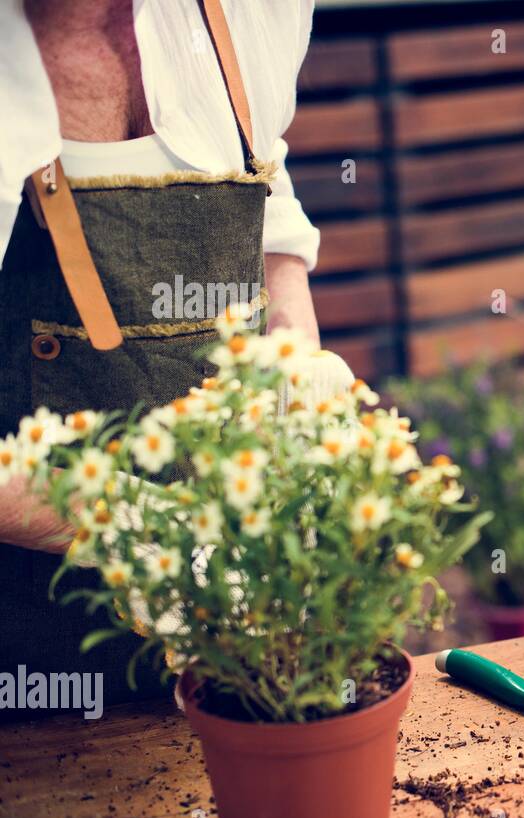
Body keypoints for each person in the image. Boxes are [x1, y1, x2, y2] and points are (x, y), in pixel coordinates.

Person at [0, 0, 347, 710]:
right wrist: (126, 524)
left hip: (227, 656)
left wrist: (298, 364)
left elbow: (262, 169)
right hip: (29, 682)